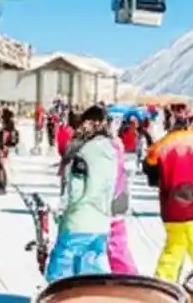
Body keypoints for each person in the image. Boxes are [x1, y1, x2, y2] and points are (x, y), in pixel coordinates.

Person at [144, 105, 193, 281]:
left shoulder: (162, 145)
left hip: (173, 209)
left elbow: (150, 169)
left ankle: (163, 291)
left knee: (171, 255)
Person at [46, 106, 118, 281]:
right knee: (92, 273)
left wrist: (63, 210)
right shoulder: (111, 151)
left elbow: (75, 191)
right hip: (101, 222)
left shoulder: (83, 153)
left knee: (60, 272)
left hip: (78, 221)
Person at [106, 133, 137, 274]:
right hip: (117, 203)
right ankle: (131, 283)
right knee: (118, 250)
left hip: (102, 206)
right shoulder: (115, 144)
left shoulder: (94, 148)